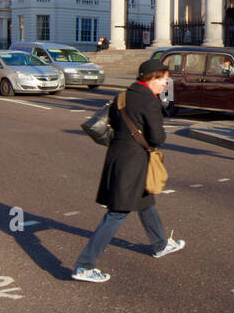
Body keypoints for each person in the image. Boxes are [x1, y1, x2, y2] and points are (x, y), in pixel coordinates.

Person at [73, 57, 183, 282]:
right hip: (133, 163)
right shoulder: (150, 101)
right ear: (151, 78)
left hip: (118, 156)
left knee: (145, 201)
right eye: (163, 79)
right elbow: (157, 137)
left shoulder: (124, 95)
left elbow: (114, 122)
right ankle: (84, 265)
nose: (165, 84)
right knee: (117, 213)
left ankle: (160, 244)